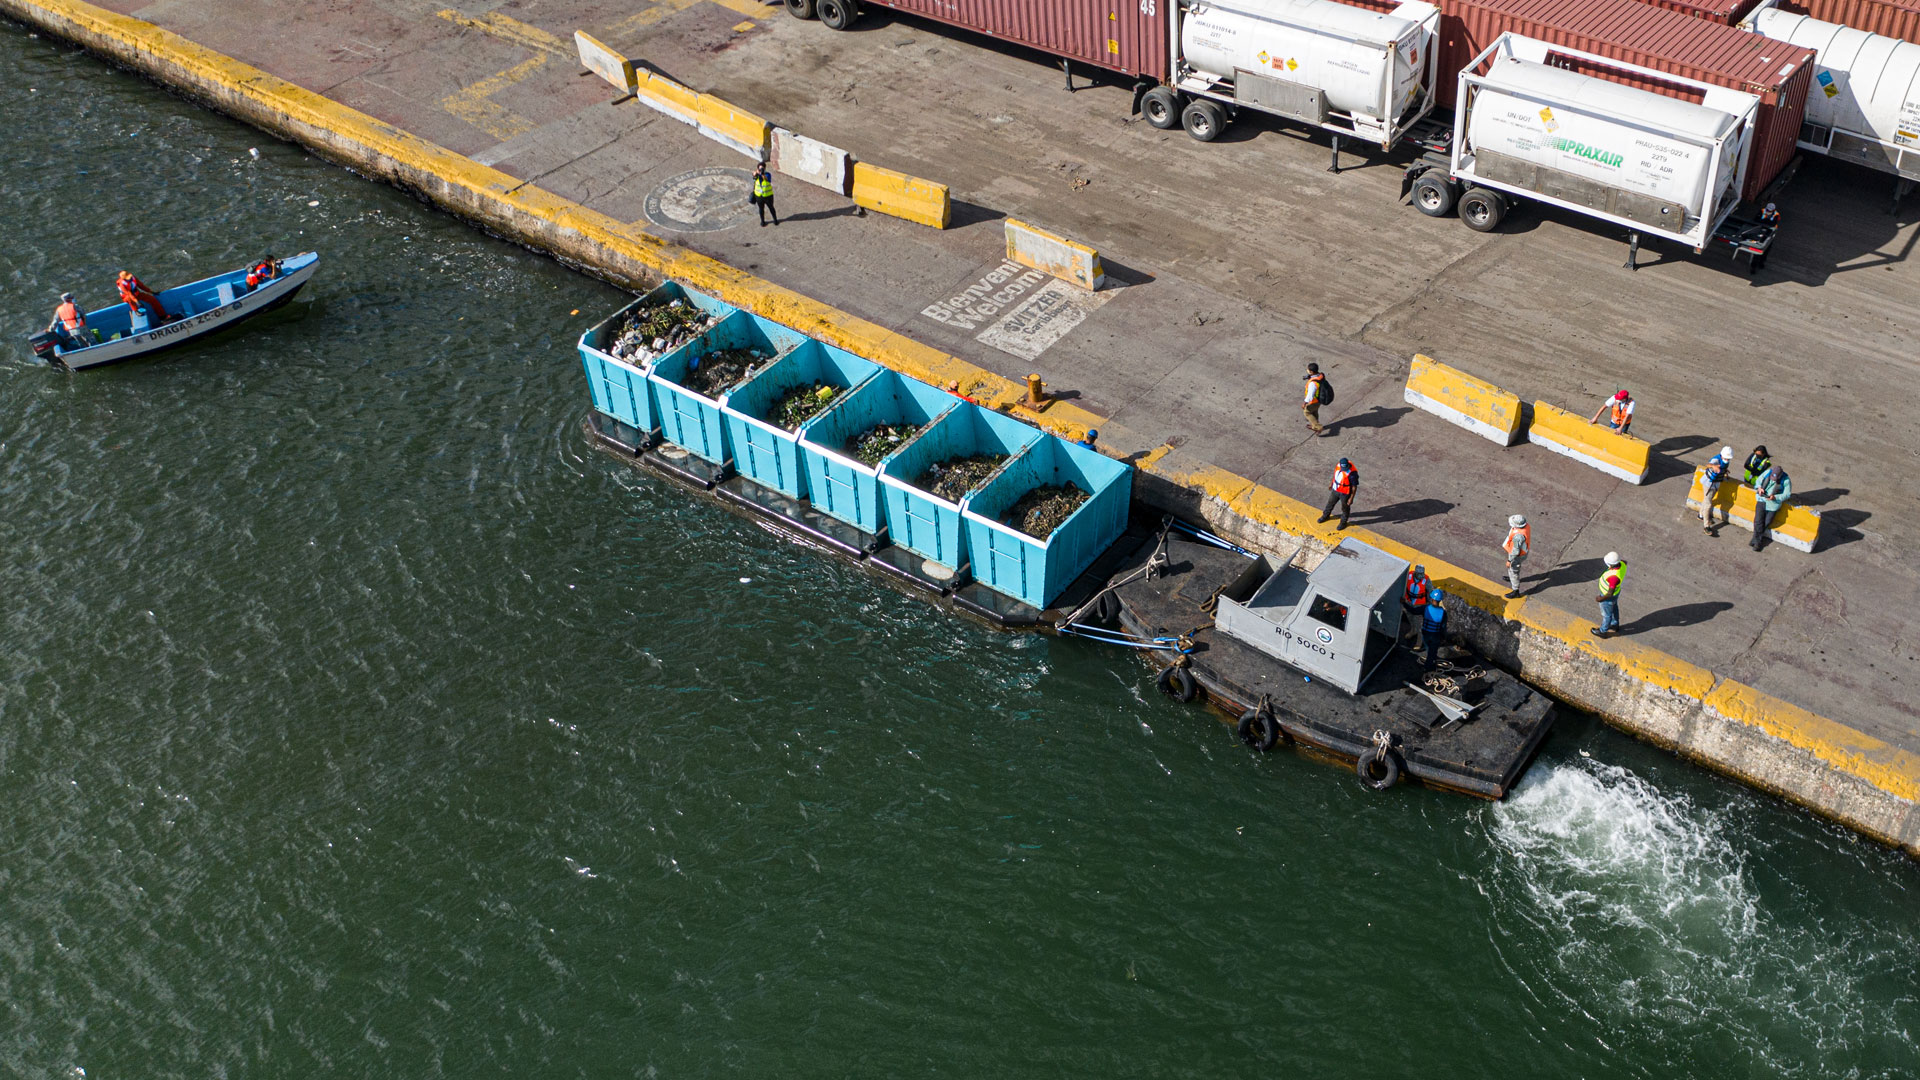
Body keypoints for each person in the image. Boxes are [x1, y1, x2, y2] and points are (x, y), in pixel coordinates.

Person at [1752, 462, 1793, 552]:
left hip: (1773, 505)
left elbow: (1787, 494)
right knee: (1758, 521)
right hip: (1762, 500)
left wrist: (1775, 497)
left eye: (1775, 479)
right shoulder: (1767, 473)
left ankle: (1755, 539)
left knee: (1766, 523)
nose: (1773, 480)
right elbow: (1758, 481)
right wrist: (1759, 488)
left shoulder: (1786, 480)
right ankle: (1758, 543)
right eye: (1772, 478)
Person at [1699, 446, 1734, 533]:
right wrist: (1713, 466)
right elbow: (1708, 464)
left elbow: (1723, 467)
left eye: (1728, 458)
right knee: (1708, 504)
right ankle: (1706, 526)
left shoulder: (1725, 462)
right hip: (1709, 484)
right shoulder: (1716, 460)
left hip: (1716, 484)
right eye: (1726, 458)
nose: (1727, 460)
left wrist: (1725, 471)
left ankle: (1700, 515)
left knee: (1707, 500)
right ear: (1722, 455)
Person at [1317, 457, 1357, 530]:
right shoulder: (1338, 465)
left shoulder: (1352, 473)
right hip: (1336, 490)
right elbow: (1336, 475)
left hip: (1345, 493)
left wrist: (1351, 498)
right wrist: (1331, 483)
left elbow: (1354, 487)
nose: (1344, 470)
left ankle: (1343, 522)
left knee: (1345, 508)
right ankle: (1325, 516)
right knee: (1330, 503)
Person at [1592, 551, 1625, 638]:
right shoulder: (1622, 564)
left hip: (1607, 597)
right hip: (1616, 594)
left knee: (1607, 615)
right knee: (1614, 608)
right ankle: (1614, 624)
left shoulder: (1613, 577)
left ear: (1611, 565)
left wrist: (1600, 598)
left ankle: (1602, 631)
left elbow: (1610, 593)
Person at [1502, 514, 1530, 599]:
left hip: (1517, 556)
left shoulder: (1518, 537)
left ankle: (1515, 591)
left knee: (1514, 571)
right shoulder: (1526, 526)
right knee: (1513, 571)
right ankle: (1512, 579)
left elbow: (1515, 551)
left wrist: (1509, 561)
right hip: (1523, 552)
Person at [1421, 588, 1448, 669]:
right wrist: (1443, 638)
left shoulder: (1425, 608)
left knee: (1428, 650)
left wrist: (1404, 603)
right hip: (1435, 636)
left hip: (1425, 634)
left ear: (1432, 598)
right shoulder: (1443, 613)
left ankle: (1429, 665)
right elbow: (1443, 627)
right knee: (1432, 652)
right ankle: (1430, 666)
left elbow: (1413, 611)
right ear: (1440, 601)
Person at [1403, 564, 1430, 644]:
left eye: (1423, 573)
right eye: (1420, 574)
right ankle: (1413, 630)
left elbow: (1430, 592)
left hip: (1419, 605)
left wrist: (1429, 605)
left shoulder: (1426, 580)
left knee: (1419, 624)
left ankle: (1419, 641)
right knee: (1410, 618)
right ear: (1415, 572)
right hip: (1408, 602)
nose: (1422, 575)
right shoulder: (1409, 575)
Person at [1302, 362, 1331, 436]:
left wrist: (1305, 402)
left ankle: (1318, 427)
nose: (1307, 370)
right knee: (1314, 411)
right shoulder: (1320, 376)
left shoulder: (1313, 383)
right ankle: (1314, 425)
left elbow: (1310, 395)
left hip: (1314, 401)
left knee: (1307, 412)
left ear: (1311, 372)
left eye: (1308, 369)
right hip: (1319, 400)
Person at [751, 163, 778, 227]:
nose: (761, 169)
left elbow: (766, 179)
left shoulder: (767, 174)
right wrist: (755, 175)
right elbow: (754, 179)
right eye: (760, 168)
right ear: (757, 168)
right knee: (761, 209)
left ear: (765, 168)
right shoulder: (756, 175)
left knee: (771, 208)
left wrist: (762, 174)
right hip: (759, 196)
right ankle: (762, 221)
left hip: (768, 196)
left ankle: (775, 220)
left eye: (762, 168)